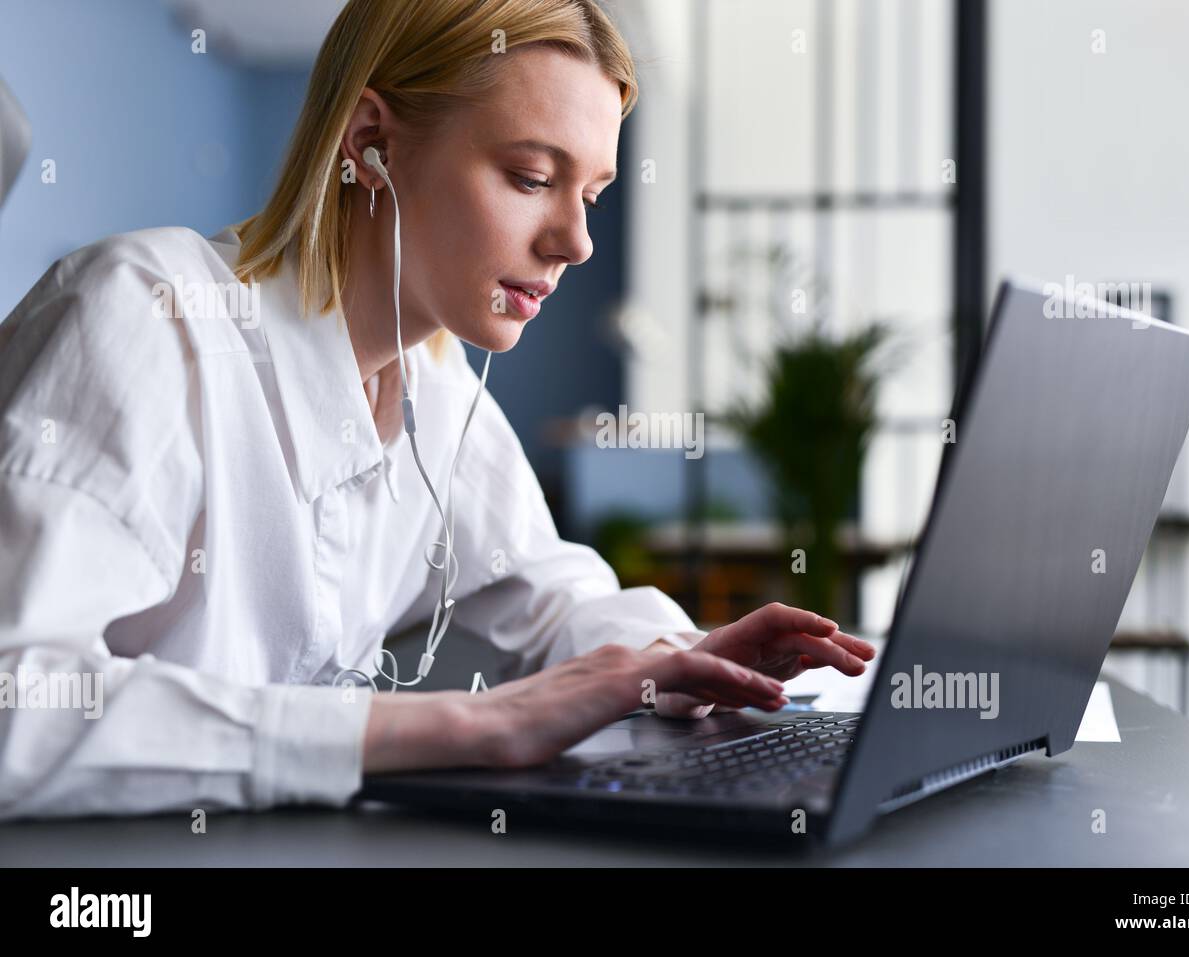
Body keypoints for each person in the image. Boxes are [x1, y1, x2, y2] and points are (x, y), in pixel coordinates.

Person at [0, 0, 873, 821]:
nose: (576, 241)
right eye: (532, 176)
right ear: (370, 140)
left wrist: (677, 660)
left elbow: (551, 594)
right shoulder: (149, 318)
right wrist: (467, 725)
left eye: (592, 194)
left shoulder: (435, 378)